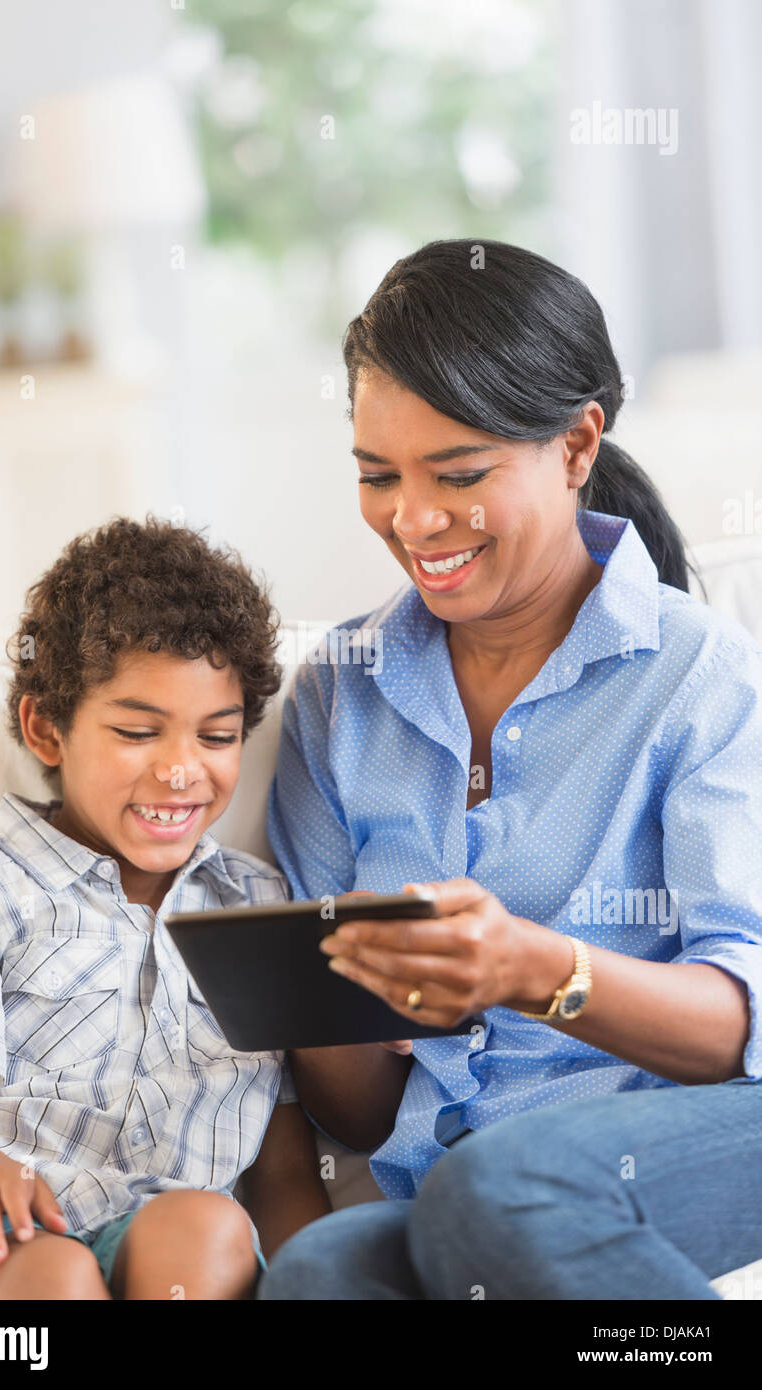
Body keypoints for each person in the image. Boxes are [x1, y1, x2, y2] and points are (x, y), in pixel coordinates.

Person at [259, 239, 762, 1300]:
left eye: (459, 473)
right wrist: (357, 1004)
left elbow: (735, 1026)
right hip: (456, 1180)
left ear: (577, 443)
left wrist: (531, 969)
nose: (413, 519)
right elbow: (354, 1116)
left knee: (498, 1184)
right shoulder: (336, 697)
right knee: (319, 1274)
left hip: (708, 1122)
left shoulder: (701, 673)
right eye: (376, 475)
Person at [0, 516, 329, 1300]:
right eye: (136, 731)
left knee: (205, 1227)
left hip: (165, 1228)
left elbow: (283, 1163)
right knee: (53, 1272)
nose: (179, 770)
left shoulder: (257, 909)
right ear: (46, 729)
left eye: (217, 736)